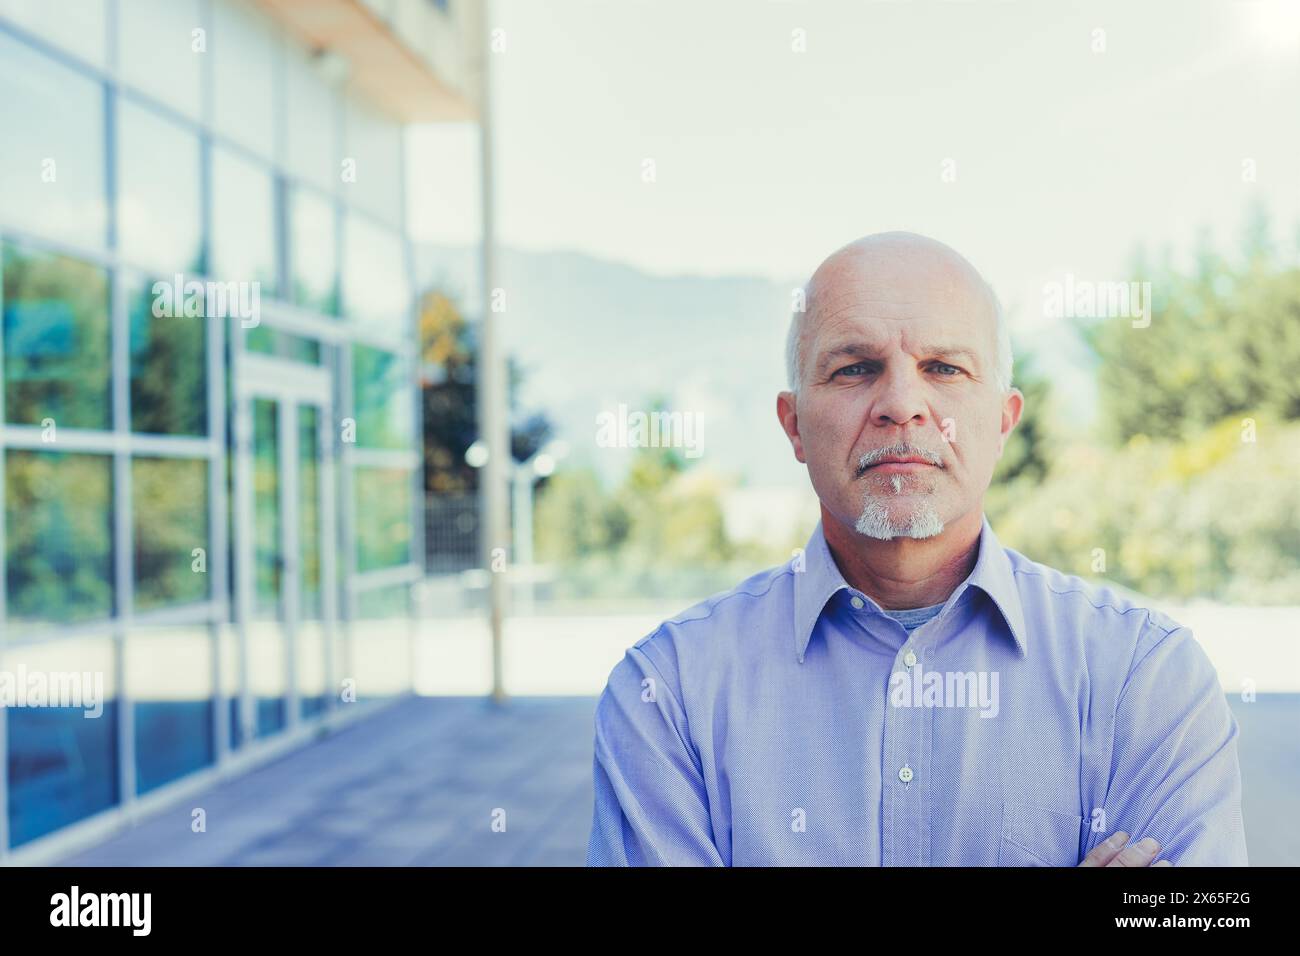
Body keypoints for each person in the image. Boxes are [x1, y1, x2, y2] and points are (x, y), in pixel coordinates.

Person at [586, 231, 1248, 866]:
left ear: (1002, 421)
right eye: (856, 369)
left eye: (944, 368)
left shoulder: (1147, 679)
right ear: (793, 426)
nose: (902, 403)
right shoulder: (666, 695)